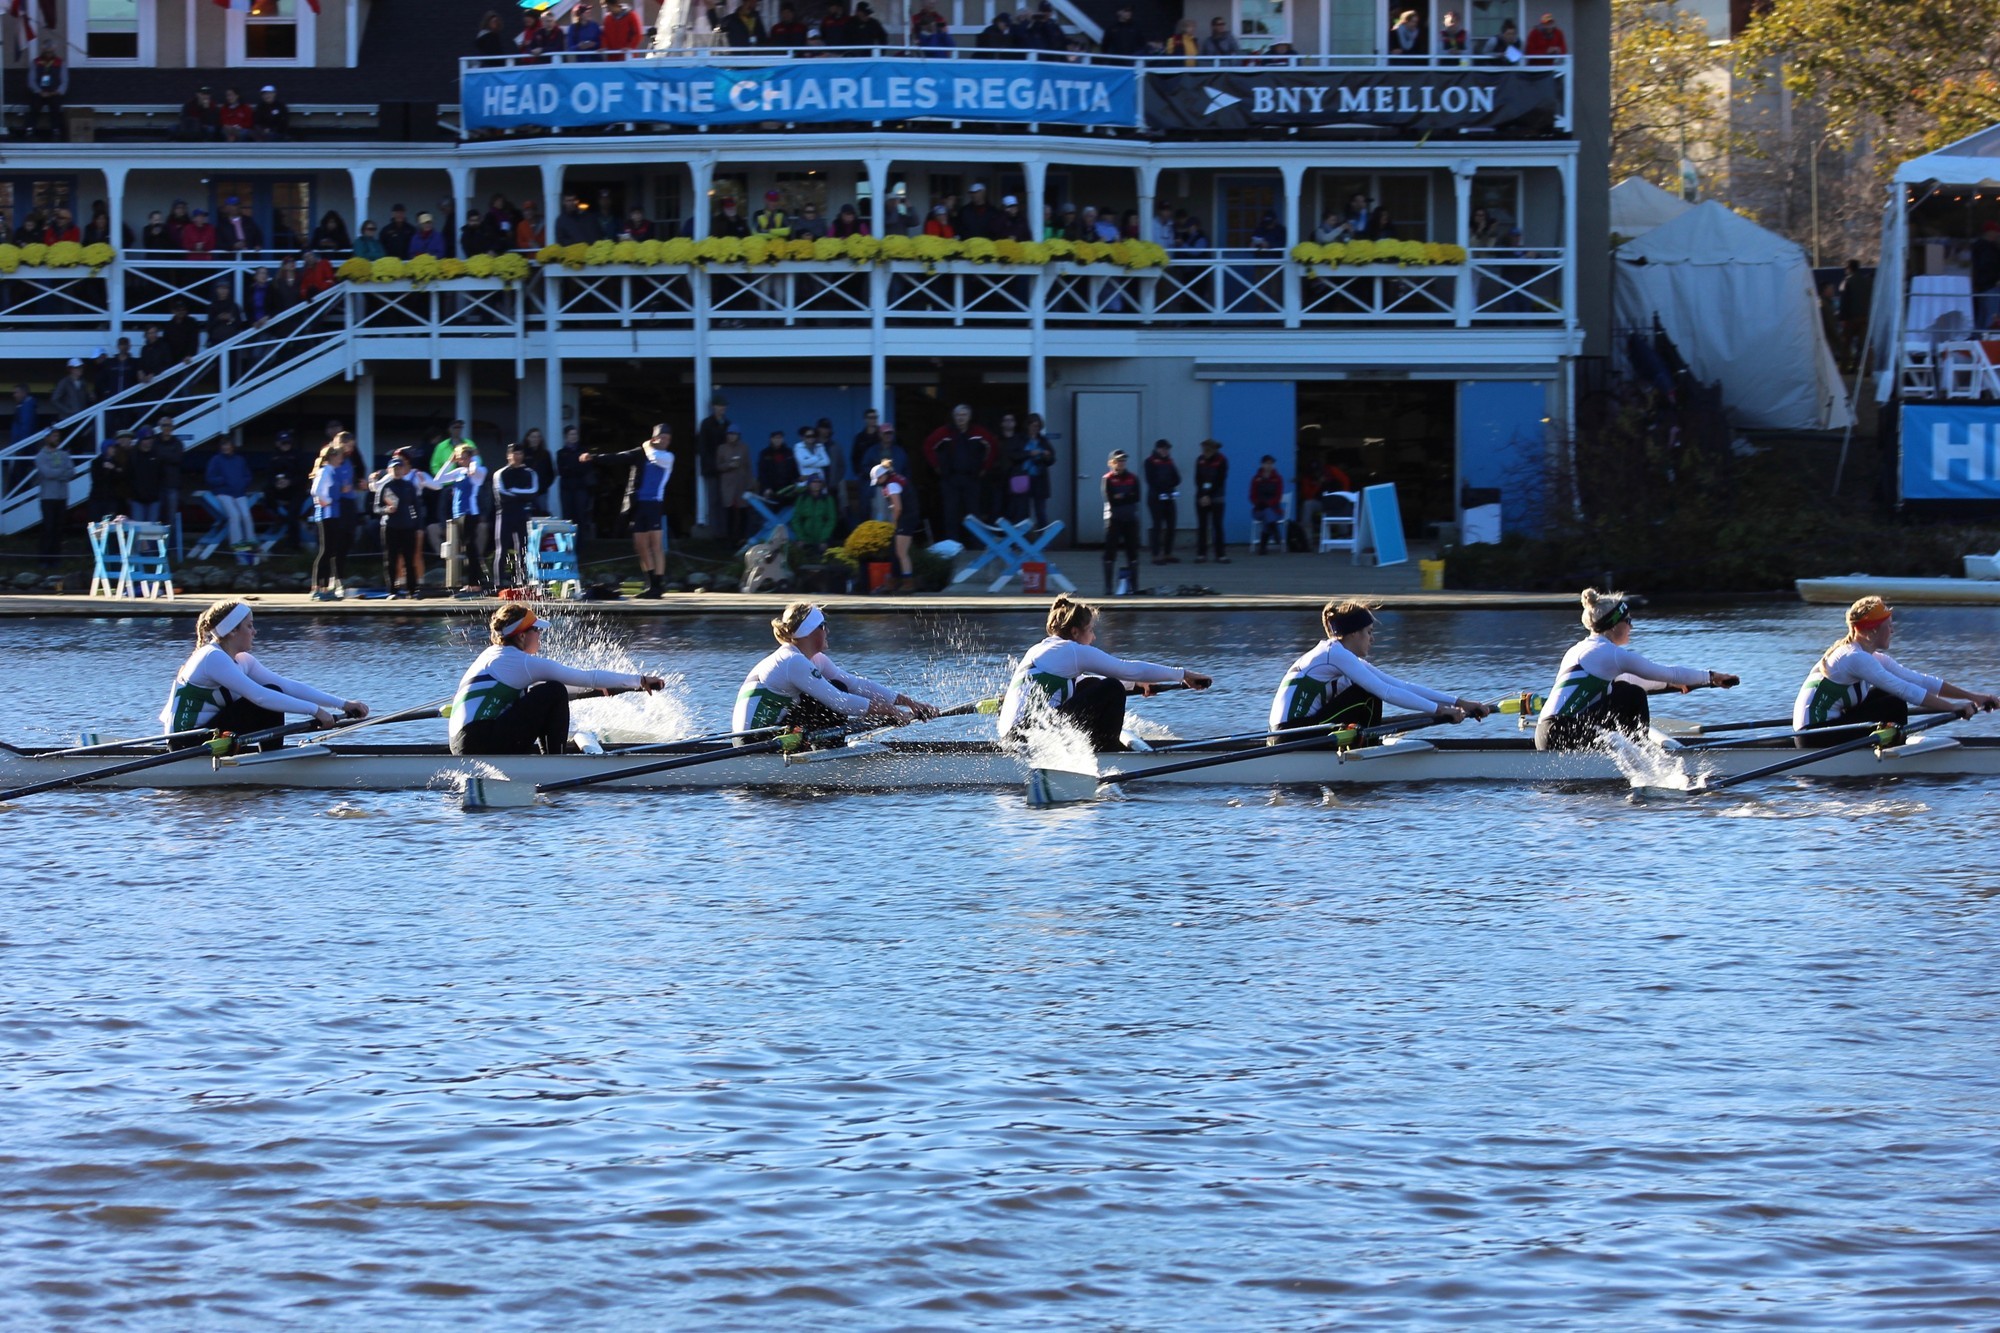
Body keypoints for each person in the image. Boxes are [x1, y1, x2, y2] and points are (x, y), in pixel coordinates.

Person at [999, 594, 1212, 751]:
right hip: (1030, 738)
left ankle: (1095, 746)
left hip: (1015, 736)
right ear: (1075, 632)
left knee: (1093, 685)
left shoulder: (1041, 650)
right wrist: (1183, 674)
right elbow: (1129, 669)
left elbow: (1088, 681)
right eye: (1091, 630)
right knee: (1112, 688)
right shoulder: (1071, 650)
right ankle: (1108, 750)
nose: (1093, 637)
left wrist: (1138, 685)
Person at [1535, 588, 1739, 750]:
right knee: (1633, 695)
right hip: (1562, 734)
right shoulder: (1610, 654)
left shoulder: (1581, 649)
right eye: (1628, 621)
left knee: (1624, 689)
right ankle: (1641, 753)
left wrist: (1686, 683)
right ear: (1615, 625)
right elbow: (1669, 673)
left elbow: (1637, 679)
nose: (1631, 626)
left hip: (1545, 734)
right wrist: (1711, 676)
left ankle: (1626, 750)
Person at [450, 606, 664, 756]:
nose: (540, 634)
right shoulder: (520, 662)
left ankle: (552, 758)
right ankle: (555, 761)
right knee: (553, 690)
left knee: (550, 691)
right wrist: (641, 679)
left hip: (464, 743)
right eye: (536, 629)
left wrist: (617, 688)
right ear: (522, 636)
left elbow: (573, 689)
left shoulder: (493, 655)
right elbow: (586, 678)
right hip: (479, 743)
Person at [1271, 602, 1491, 741]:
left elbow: (1400, 686)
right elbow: (1385, 692)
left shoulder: (1337, 655)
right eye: (1369, 632)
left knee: (1368, 690)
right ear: (1354, 633)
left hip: (1290, 733)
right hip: (1292, 735)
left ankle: (1363, 742)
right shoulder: (1334, 653)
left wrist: (1459, 702)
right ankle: (1369, 746)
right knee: (1368, 694)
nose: (1372, 639)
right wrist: (1438, 710)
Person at [1791, 597, 1997, 745]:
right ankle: (1891, 750)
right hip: (1814, 737)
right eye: (1888, 626)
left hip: (1830, 729)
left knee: (1886, 696)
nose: (1893, 630)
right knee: (1895, 702)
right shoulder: (1854, 658)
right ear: (1872, 630)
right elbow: (1906, 691)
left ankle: (1889, 742)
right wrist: (1953, 708)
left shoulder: (1866, 655)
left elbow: (1919, 681)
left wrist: (1975, 697)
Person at [163, 600, 366, 748]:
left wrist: (344, 704)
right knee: (268, 697)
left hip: (212, 737)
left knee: (275, 690)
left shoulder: (242, 660)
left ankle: (269, 758)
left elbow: (288, 687)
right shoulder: (212, 657)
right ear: (232, 631)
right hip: (187, 743)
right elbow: (260, 696)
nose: (255, 632)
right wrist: (315, 711)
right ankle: (272, 760)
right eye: (249, 626)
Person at [734, 603, 932, 736]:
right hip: (756, 741)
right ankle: (826, 749)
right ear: (812, 631)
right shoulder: (792, 661)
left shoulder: (813, 659)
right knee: (834, 694)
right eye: (824, 625)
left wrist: (910, 703)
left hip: (773, 734)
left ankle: (824, 745)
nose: (828, 631)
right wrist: (890, 711)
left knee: (838, 685)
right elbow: (841, 702)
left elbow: (856, 685)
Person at [582, 425, 674, 598]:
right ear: (655, 438)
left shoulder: (667, 457)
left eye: (668, 438)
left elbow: (652, 455)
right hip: (639, 504)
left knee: (656, 545)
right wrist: (593, 457)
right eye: (662, 437)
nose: (665, 441)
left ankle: (659, 584)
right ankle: (651, 583)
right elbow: (618, 457)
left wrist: (646, 444)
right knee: (640, 545)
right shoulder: (640, 453)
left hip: (655, 503)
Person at [432, 442, 491, 592]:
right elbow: (438, 480)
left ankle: (475, 583)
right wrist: (449, 462)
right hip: (458, 514)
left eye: (464, 457)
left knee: (471, 547)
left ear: (470, 457)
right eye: (459, 458)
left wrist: (474, 458)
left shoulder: (480, 470)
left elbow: (474, 470)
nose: (461, 460)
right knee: (464, 548)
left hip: (470, 513)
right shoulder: (458, 472)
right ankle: (470, 582)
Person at [372, 451, 427, 598]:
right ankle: (392, 591)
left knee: (410, 559)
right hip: (390, 527)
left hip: (407, 527)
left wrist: (418, 526)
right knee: (391, 560)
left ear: (403, 469)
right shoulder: (385, 486)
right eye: (394, 468)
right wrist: (386, 510)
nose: (397, 471)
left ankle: (412, 590)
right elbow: (376, 508)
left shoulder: (409, 486)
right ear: (389, 470)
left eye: (399, 468)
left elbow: (416, 508)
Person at [307, 441, 355, 599]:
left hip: (333, 514)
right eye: (340, 455)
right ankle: (318, 588)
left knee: (330, 550)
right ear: (333, 457)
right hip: (326, 514)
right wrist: (327, 501)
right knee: (326, 551)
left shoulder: (332, 471)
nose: (342, 458)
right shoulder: (325, 471)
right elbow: (316, 490)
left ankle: (325, 588)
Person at [491, 441, 542, 587]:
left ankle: (523, 581)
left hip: (522, 514)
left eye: (519, 453)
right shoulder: (500, 473)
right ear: (508, 455)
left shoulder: (530, 473)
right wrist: (521, 495)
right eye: (513, 453)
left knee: (523, 549)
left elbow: (533, 493)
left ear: (523, 455)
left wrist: (513, 491)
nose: (516, 456)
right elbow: (502, 495)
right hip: (504, 514)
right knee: (502, 549)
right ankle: (498, 583)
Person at [870, 459, 921, 592]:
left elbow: (897, 508)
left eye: (878, 480)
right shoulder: (897, 479)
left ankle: (908, 583)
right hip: (910, 516)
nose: (878, 484)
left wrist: (894, 522)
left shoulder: (892, 484)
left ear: (882, 476)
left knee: (901, 553)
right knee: (895, 550)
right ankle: (895, 580)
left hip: (905, 518)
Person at [204, 438, 258, 552]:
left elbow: (248, 476)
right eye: (224, 445)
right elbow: (210, 478)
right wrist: (223, 481)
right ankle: (238, 546)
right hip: (223, 493)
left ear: (232, 446)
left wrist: (242, 484)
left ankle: (251, 543)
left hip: (239, 493)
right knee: (234, 515)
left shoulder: (240, 460)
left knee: (246, 516)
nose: (226, 447)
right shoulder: (216, 460)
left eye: (228, 445)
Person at [1101, 449, 1142, 595]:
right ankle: (1108, 587)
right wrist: (1126, 496)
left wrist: (1121, 496)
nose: (1121, 463)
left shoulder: (1133, 478)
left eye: (1123, 460)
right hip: (1114, 519)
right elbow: (1111, 499)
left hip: (1130, 519)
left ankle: (1134, 586)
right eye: (1118, 460)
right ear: (1112, 463)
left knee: (1133, 552)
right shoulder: (1108, 479)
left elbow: (1136, 497)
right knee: (1110, 552)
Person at [35, 434, 73, 567]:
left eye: (58, 436)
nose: (57, 439)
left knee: (59, 528)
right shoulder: (41, 456)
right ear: (47, 438)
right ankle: (44, 560)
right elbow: (47, 473)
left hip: (62, 497)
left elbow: (71, 471)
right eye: (54, 436)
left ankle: (56, 559)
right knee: (48, 528)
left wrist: (57, 472)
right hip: (47, 497)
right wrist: (61, 471)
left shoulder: (63, 454)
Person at [1142, 438, 1180, 564]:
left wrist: (1169, 486)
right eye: (1163, 448)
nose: (1166, 451)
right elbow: (1150, 480)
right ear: (1157, 449)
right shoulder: (1150, 461)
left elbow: (1177, 478)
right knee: (1157, 526)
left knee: (1171, 525)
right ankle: (1156, 555)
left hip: (1169, 497)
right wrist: (1164, 486)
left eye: (1167, 449)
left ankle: (1168, 553)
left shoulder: (1169, 461)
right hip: (1155, 498)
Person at [556, 426, 593, 538]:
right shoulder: (561, 453)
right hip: (566, 488)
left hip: (580, 487)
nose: (573, 437)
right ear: (566, 437)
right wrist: (576, 467)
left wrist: (571, 467)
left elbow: (586, 468)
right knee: (567, 515)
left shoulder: (583, 451)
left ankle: (581, 541)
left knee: (580, 514)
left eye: (575, 434)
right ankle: (567, 541)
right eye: (571, 434)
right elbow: (562, 471)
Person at [26, 42, 67, 141]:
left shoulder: (60, 62)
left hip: (54, 92)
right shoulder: (35, 62)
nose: (49, 54)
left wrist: (58, 91)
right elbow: (31, 80)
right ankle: (30, 130)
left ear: (54, 51)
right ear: (43, 51)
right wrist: (39, 91)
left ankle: (56, 131)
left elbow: (65, 80)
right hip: (40, 92)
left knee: (55, 107)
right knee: (34, 106)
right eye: (47, 52)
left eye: (51, 52)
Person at [1248, 455, 1284, 554]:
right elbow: (1252, 496)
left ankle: (1263, 546)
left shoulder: (1278, 479)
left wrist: (1268, 504)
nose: (1269, 466)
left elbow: (1278, 496)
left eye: (1271, 464)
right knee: (1267, 514)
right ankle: (1275, 530)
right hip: (1259, 509)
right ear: (1262, 464)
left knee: (1268, 514)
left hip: (1274, 509)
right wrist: (1258, 504)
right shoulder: (1256, 479)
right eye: (1267, 463)